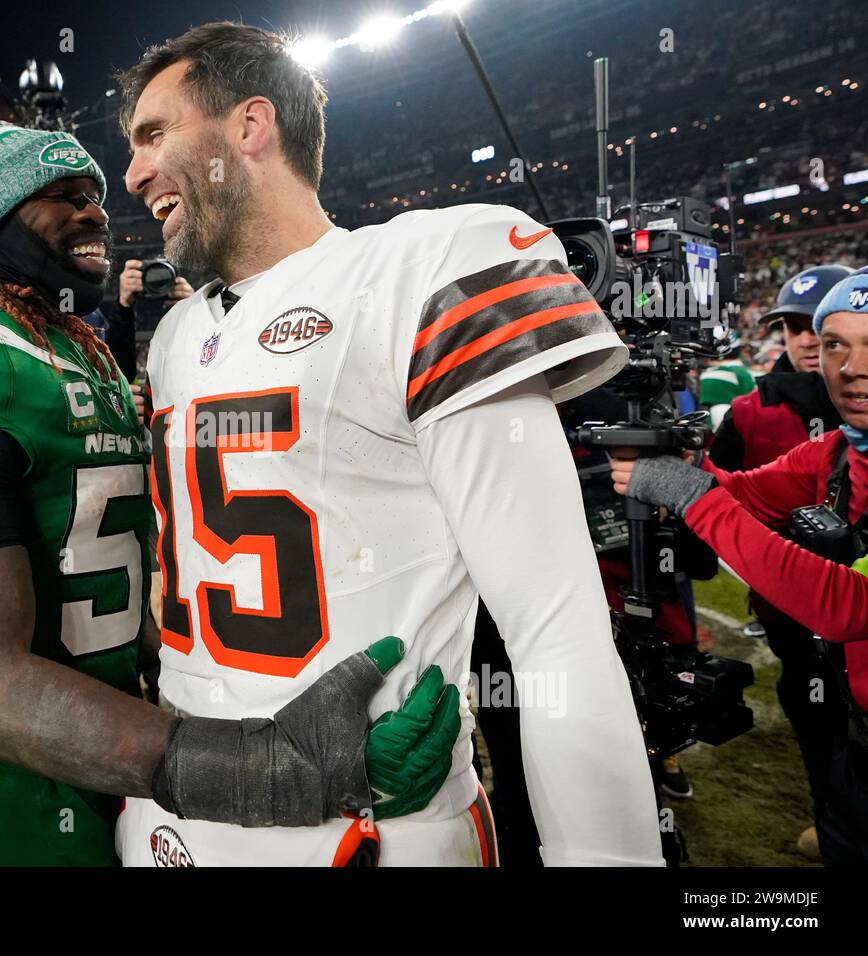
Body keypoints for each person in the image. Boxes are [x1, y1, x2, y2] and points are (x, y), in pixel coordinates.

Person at [115, 21, 661, 866]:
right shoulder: (177, 336)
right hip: (172, 810)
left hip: (362, 835)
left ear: (249, 127)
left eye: (155, 134)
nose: (134, 171)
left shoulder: (416, 270)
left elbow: (556, 635)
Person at [0, 120, 458, 866]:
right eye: (63, 198)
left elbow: (112, 587)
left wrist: (252, 693)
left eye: (95, 196)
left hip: (112, 754)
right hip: (0, 798)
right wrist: (268, 768)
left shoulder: (84, 356)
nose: (96, 212)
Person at [612, 273, 868, 865]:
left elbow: (849, 605)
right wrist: (678, 463)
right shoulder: (836, 450)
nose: (853, 367)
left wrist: (692, 496)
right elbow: (746, 492)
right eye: (835, 344)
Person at [709, 263, 852, 859]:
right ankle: (832, 817)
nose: (808, 341)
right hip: (790, 601)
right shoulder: (749, 410)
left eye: (823, 330)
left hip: (848, 609)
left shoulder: (847, 421)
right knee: (815, 711)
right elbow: (733, 487)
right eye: (794, 326)